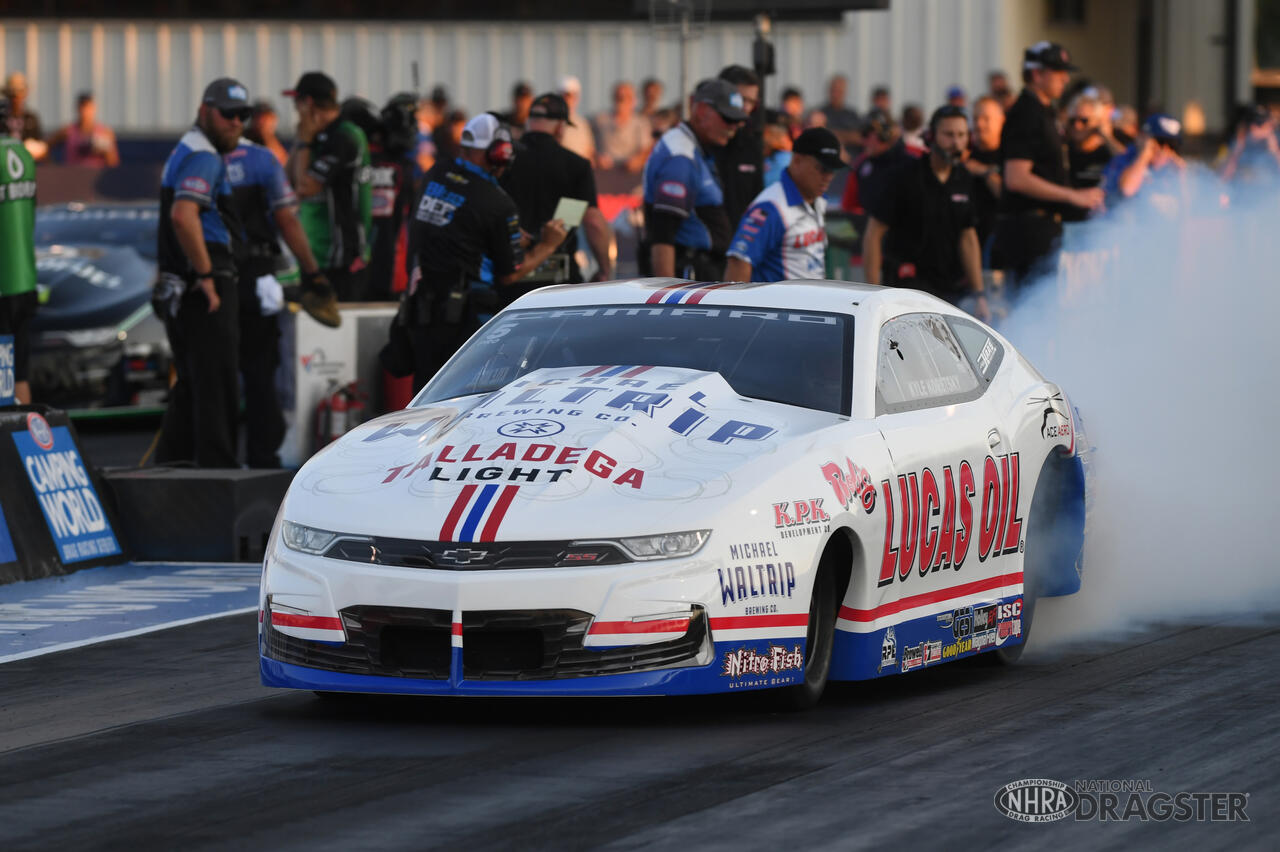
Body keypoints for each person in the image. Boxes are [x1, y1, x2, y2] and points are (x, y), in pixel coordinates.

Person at [404, 113, 567, 391]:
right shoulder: (497, 202)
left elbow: (455, 225)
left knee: (424, 393)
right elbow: (509, 273)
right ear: (498, 152)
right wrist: (548, 245)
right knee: (462, 398)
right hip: (465, 319)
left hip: (421, 309)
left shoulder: (437, 172)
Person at [153, 78, 250, 468]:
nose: (236, 123)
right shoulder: (204, 156)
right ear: (204, 111)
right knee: (217, 384)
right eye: (228, 114)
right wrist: (208, 277)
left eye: (243, 115)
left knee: (193, 386)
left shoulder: (187, 149)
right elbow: (183, 214)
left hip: (183, 283)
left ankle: (168, 471)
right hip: (205, 283)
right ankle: (220, 475)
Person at [224, 131, 329, 467]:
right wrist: (313, 273)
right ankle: (262, 455)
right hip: (256, 277)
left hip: (215, 277)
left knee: (219, 372)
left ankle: (216, 461)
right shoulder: (261, 161)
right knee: (260, 371)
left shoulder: (197, 156)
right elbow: (287, 218)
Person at [992, 42, 1103, 299]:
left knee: (1044, 312)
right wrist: (1072, 195)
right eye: (1057, 71)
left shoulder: (1043, 110)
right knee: (1031, 315)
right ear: (1036, 73)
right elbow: (1016, 178)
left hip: (1042, 230)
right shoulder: (1027, 112)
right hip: (1028, 234)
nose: (1065, 78)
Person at [864, 106, 990, 322]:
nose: (956, 143)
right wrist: (873, 295)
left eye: (961, 135)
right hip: (907, 291)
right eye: (948, 135)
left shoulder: (964, 178)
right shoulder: (904, 176)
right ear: (931, 136)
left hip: (951, 292)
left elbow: (968, 237)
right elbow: (873, 234)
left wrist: (979, 294)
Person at [502, 92, 614, 298]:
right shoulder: (574, 165)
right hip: (558, 280)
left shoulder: (503, 160)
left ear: (529, 122)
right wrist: (604, 269)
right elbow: (593, 222)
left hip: (508, 274)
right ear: (561, 126)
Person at [642, 78, 747, 280]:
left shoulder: (694, 148)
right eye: (727, 118)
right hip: (690, 276)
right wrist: (667, 298)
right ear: (701, 111)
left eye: (737, 121)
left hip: (699, 272)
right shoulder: (681, 156)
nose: (734, 127)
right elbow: (663, 234)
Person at [284, 71, 372, 303]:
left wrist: (304, 140)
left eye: (297, 103)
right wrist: (302, 139)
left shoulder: (345, 136)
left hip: (341, 257)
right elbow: (287, 181)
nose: (295, 110)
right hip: (313, 255)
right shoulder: (317, 135)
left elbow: (304, 187)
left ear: (308, 103)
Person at [724, 127, 842, 283]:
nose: (828, 177)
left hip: (809, 303)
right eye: (822, 169)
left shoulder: (818, 200)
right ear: (797, 160)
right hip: (780, 305)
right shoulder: (770, 207)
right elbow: (738, 263)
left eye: (833, 170)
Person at [0, 95, 38, 406]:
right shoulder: (24, 154)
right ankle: (22, 444)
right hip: (25, 278)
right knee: (19, 374)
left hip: (2, 281)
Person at [1103, 113, 1187, 214]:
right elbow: (1127, 190)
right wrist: (1145, 155)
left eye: (1172, 145)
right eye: (1160, 142)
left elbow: (1184, 210)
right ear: (1142, 137)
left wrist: (1182, 175)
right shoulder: (1124, 158)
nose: (1165, 149)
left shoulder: (1171, 167)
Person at [713, 65, 764, 228]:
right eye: (741, 99)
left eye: (752, 102)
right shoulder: (700, 144)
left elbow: (757, 203)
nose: (746, 108)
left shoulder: (752, 146)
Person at [1063, 92, 1115, 222]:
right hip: (1069, 221)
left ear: (1097, 123)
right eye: (1072, 121)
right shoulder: (1062, 149)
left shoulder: (1108, 150)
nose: (1077, 126)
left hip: (1101, 223)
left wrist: (1107, 137)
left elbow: (1126, 162)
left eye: (1084, 121)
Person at [965, 95, 1004, 262]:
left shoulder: (1012, 158)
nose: (979, 125)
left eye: (986, 119)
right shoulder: (964, 157)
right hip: (968, 246)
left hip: (999, 245)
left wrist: (984, 171)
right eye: (975, 119)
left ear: (1001, 121)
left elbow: (1007, 197)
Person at [593, 81, 650, 173]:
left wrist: (637, 161)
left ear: (633, 100)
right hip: (605, 173)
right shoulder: (599, 120)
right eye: (618, 97)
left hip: (631, 174)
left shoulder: (641, 123)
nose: (622, 100)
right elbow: (588, 145)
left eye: (626, 97)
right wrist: (598, 158)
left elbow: (646, 149)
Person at [49, 93, 118, 167]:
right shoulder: (67, 131)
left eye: (89, 108)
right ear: (78, 109)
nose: (86, 112)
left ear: (94, 109)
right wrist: (54, 167)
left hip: (95, 176)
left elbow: (113, 163)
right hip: (72, 175)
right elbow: (46, 147)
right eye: (83, 108)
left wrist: (105, 151)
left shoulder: (105, 133)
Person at [3, 72, 45, 160]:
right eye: (13, 96)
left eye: (19, 94)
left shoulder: (31, 119)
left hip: (26, 162)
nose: (16, 99)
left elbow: (41, 148)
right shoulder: (2, 118)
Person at [558, 76, 595, 162]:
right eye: (565, 96)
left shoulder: (582, 124)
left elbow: (589, 151)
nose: (568, 100)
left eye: (571, 96)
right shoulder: (550, 122)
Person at [245, 101, 288, 165]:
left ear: (274, 119)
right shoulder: (244, 139)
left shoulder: (283, 140)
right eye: (258, 117)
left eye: (266, 117)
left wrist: (267, 136)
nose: (262, 122)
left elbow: (283, 163)